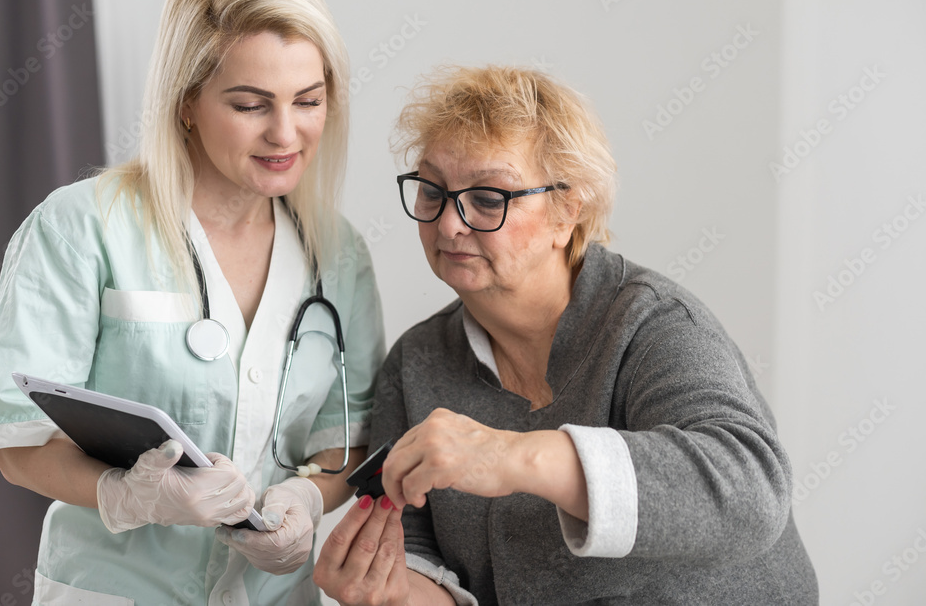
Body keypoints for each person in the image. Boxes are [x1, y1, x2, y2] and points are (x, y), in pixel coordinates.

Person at [0, 0, 384, 606]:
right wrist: (127, 494)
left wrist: (303, 498)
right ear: (186, 103)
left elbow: (343, 444)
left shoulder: (338, 254)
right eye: (250, 104)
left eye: (309, 100)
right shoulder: (82, 227)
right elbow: (15, 440)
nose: (285, 132)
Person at [313, 65, 818, 605]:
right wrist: (394, 594)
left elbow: (751, 493)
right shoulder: (417, 363)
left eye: (488, 197)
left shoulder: (652, 325)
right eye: (433, 190)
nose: (449, 225)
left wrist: (514, 457)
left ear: (567, 214)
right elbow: (418, 551)